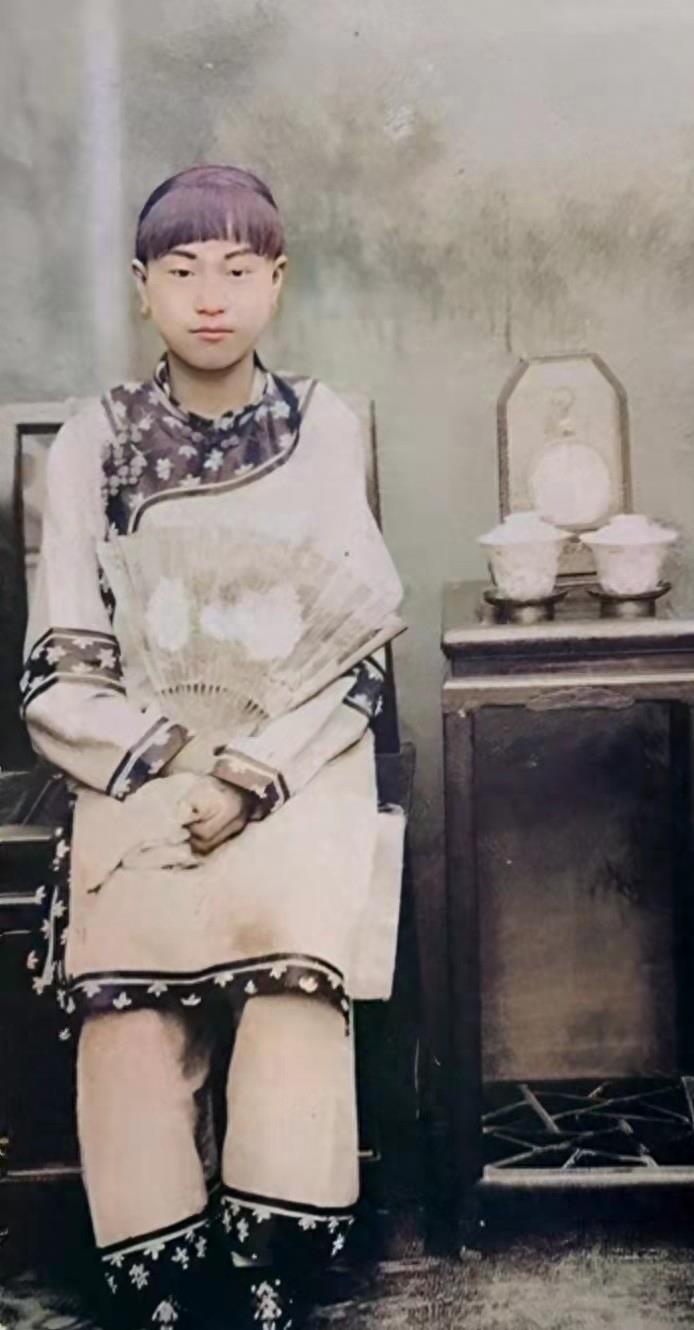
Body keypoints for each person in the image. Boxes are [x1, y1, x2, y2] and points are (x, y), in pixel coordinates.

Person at [21, 165, 404, 1330]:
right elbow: (60, 660)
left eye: (240, 268)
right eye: (181, 271)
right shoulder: (95, 440)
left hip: (292, 761)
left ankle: (273, 1261)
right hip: (141, 750)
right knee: (131, 989)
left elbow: (355, 642)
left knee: (290, 959)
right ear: (143, 291)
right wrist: (178, 753)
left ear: (277, 282)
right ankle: (163, 1273)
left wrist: (252, 774)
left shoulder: (321, 424)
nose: (210, 297)